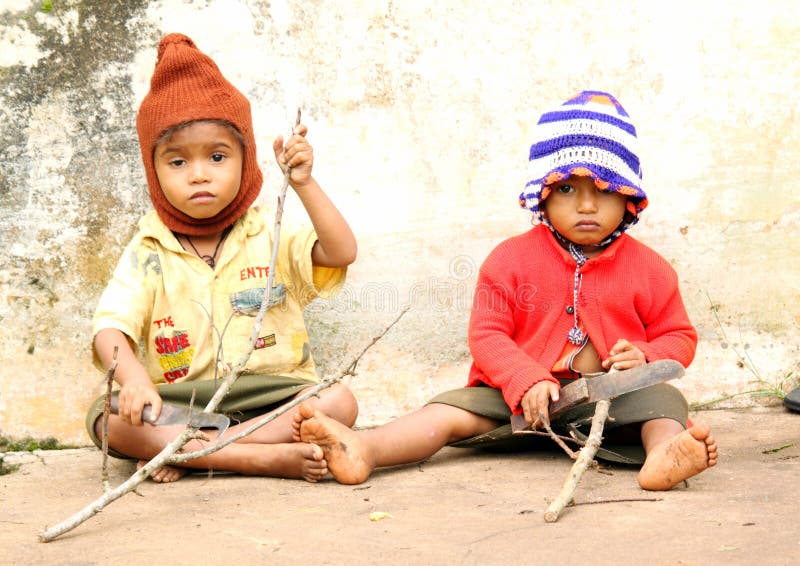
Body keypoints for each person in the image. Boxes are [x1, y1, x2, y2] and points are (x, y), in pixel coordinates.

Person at [294, 90, 717, 491]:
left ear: (629, 197)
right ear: (542, 195)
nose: (587, 205)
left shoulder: (651, 269)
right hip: (514, 402)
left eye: (604, 189)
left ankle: (663, 456)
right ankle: (365, 449)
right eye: (567, 188)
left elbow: (679, 336)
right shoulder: (509, 260)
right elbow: (487, 335)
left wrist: (646, 357)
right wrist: (525, 378)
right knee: (446, 411)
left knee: (664, 403)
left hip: (609, 404)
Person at [84, 33, 358, 483]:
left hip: (272, 395)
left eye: (217, 157)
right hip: (182, 402)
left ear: (246, 160)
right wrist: (134, 381)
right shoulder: (149, 248)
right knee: (105, 419)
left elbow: (342, 252)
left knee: (338, 401)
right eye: (177, 162)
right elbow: (110, 328)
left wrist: (304, 184)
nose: (199, 175)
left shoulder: (268, 231)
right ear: (153, 170)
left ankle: (192, 455)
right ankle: (257, 457)